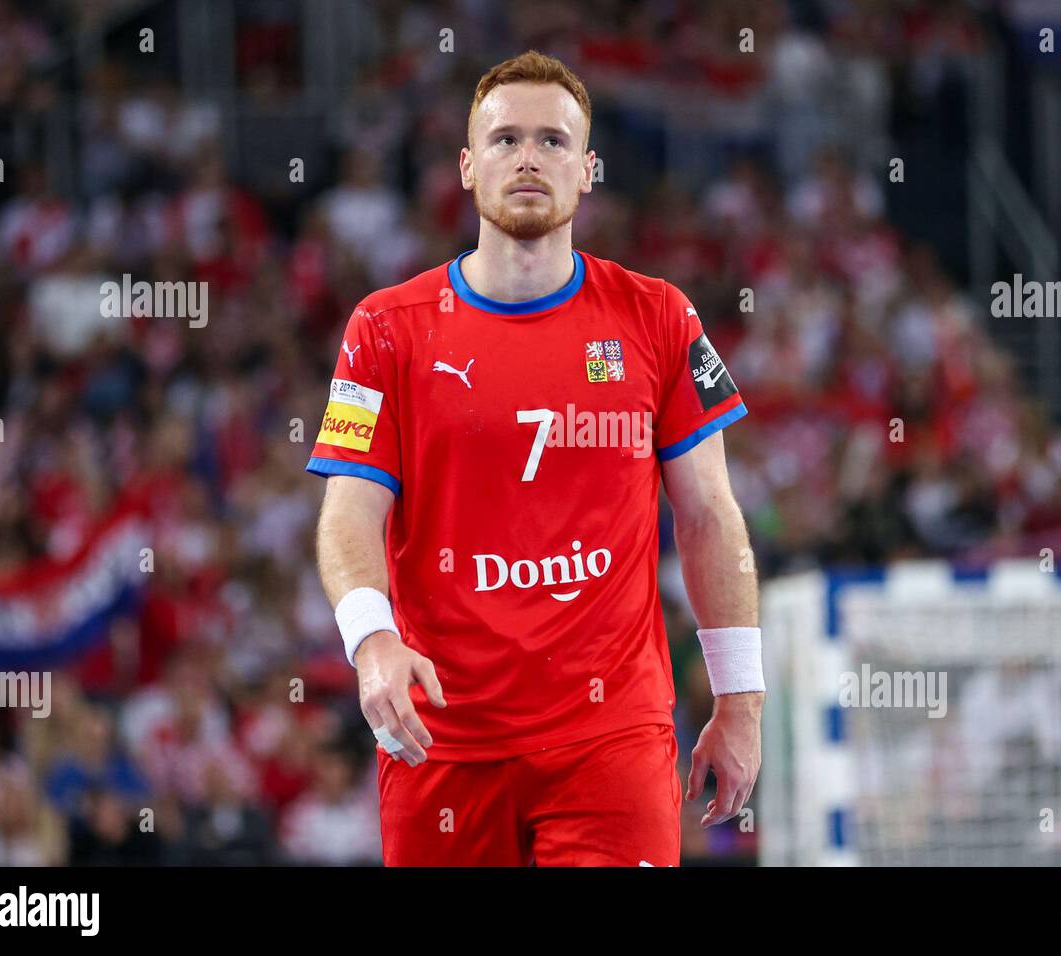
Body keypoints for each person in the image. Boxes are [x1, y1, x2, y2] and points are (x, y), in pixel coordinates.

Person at [306, 50, 762, 866]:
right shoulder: (384, 329)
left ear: (587, 169)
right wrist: (370, 640)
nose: (527, 157)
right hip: (440, 735)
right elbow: (349, 511)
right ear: (466, 166)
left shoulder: (659, 317)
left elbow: (709, 515)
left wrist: (740, 697)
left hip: (611, 736)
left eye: (553, 141)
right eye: (505, 138)